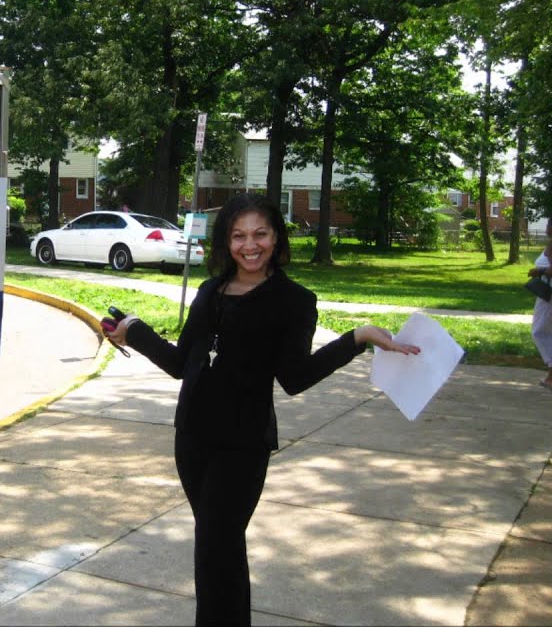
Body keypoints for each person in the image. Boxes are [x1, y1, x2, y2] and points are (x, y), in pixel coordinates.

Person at [106, 193, 421, 626]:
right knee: (219, 549)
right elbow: (182, 364)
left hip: (242, 444)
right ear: (226, 242)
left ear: (276, 237)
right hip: (192, 438)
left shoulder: (293, 300)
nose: (249, 245)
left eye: (260, 234)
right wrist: (135, 332)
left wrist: (357, 338)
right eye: (238, 236)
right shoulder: (210, 291)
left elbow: (296, 377)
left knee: (216, 547)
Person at [528, 214, 552, 390]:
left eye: (548, 224)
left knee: (539, 332)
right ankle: (551, 377)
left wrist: (538, 271)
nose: (546, 228)